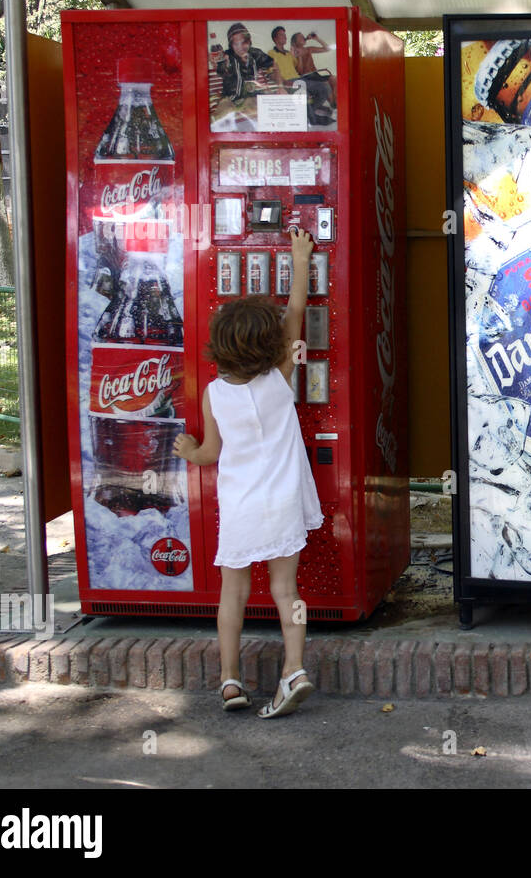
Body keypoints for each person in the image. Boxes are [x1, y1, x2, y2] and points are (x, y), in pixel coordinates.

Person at [173, 226, 323, 717]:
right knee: (287, 592)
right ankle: (294, 669)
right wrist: (300, 257)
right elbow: (296, 311)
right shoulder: (280, 378)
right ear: (272, 346)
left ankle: (230, 680)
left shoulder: (215, 395)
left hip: (240, 506)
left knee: (232, 594)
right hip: (284, 500)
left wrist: (187, 449)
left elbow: (209, 454)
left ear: (219, 347)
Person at [216, 22, 285, 102]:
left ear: (249, 41)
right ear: (231, 45)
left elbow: (274, 65)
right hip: (231, 100)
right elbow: (221, 70)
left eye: (243, 43)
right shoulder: (228, 56)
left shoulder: (256, 54)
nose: (240, 47)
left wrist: (281, 87)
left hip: (252, 98)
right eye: (236, 44)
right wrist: (222, 65)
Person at [291, 31, 336, 111]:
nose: (303, 37)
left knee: (334, 79)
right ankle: (333, 105)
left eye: (302, 36)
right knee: (325, 84)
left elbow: (327, 49)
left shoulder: (309, 49)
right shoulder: (293, 53)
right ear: (295, 42)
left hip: (315, 75)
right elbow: (300, 72)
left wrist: (317, 39)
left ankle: (334, 103)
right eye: (300, 37)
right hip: (307, 77)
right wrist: (299, 56)